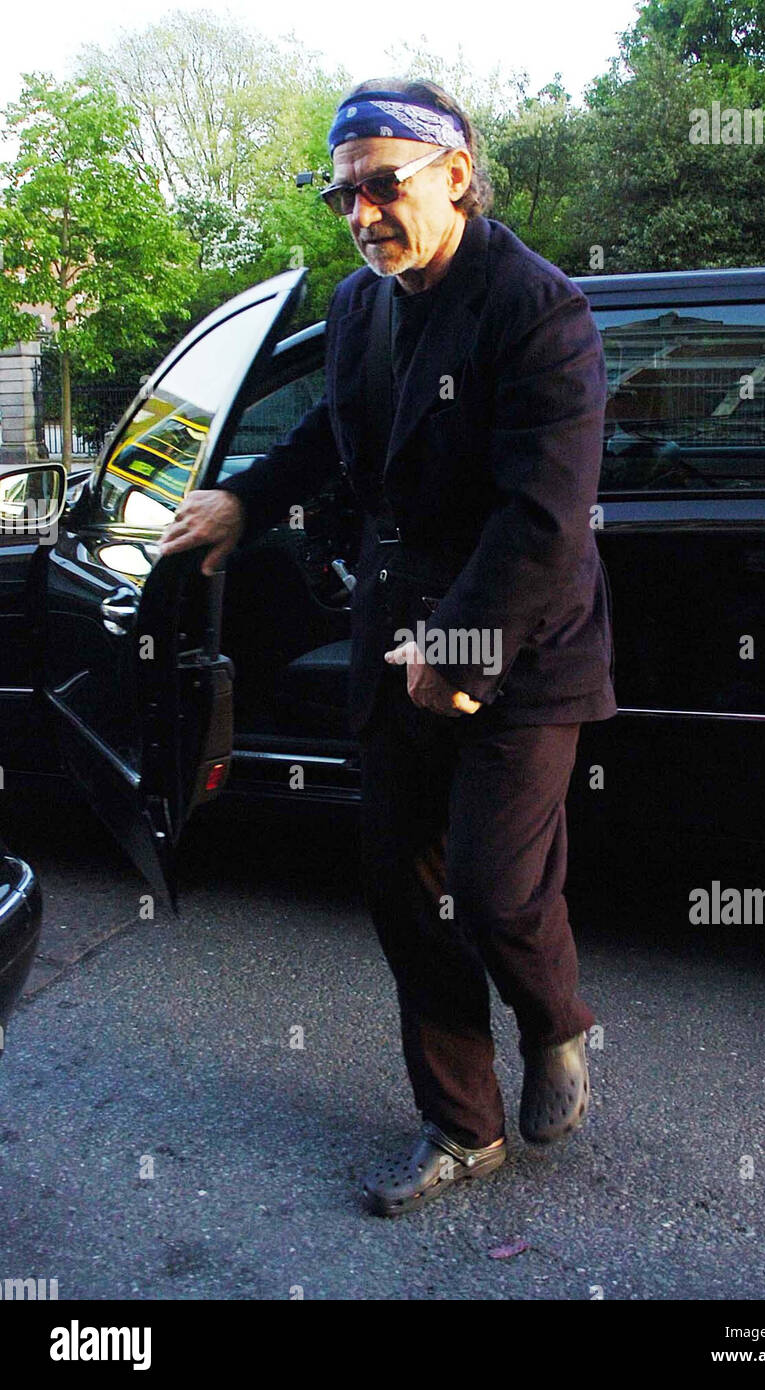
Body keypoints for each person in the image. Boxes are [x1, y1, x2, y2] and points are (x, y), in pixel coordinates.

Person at [159, 77, 617, 1217]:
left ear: (454, 174)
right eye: (342, 194)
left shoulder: (536, 310)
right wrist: (245, 504)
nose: (361, 213)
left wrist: (459, 648)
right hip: (394, 626)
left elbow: (543, 516)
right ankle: (462, 1125)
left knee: (493, 885)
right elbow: (331, 431)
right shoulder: (361, 307)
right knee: (397, 889)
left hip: (519, 641)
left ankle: (555, 1023)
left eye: (382, 185)